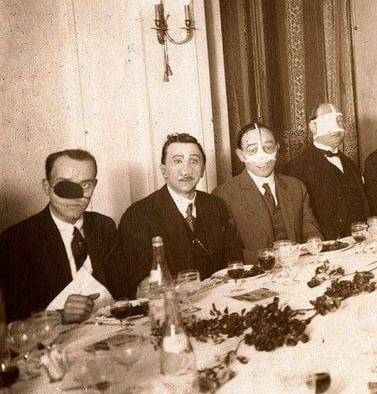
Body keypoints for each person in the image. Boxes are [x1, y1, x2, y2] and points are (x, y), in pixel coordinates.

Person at [114, 133, 243, 298]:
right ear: (164, 170)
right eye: (177, 161)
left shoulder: (215, 205)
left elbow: (233, 257)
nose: (186, 170)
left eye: (194, 161)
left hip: (221, 299)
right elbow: (144, 284)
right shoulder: (138, 215)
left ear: (203, 170)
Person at [0, 149, 116, 323]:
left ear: (94, 185)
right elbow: (13, 322)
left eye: (85, 185)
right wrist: (60, 316)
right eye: (65, 185)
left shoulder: (104, 227)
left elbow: (123, 290)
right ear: (47, 187)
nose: (75, 196)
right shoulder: (16, 239)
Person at [214, 123, 321, 263]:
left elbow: (310, 230)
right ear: (240, 155)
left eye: (268, 148)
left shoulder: (296, 186)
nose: (262, 157)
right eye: (252, 150)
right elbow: (231, 250)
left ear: (277, 148)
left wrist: (312, 249)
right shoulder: (223, 196)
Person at [282, 103, 370, 239]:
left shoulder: (350, 164)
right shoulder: (296, 167)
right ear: (313, 127)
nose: (336, 127)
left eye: (339, 121)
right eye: (328, 121)